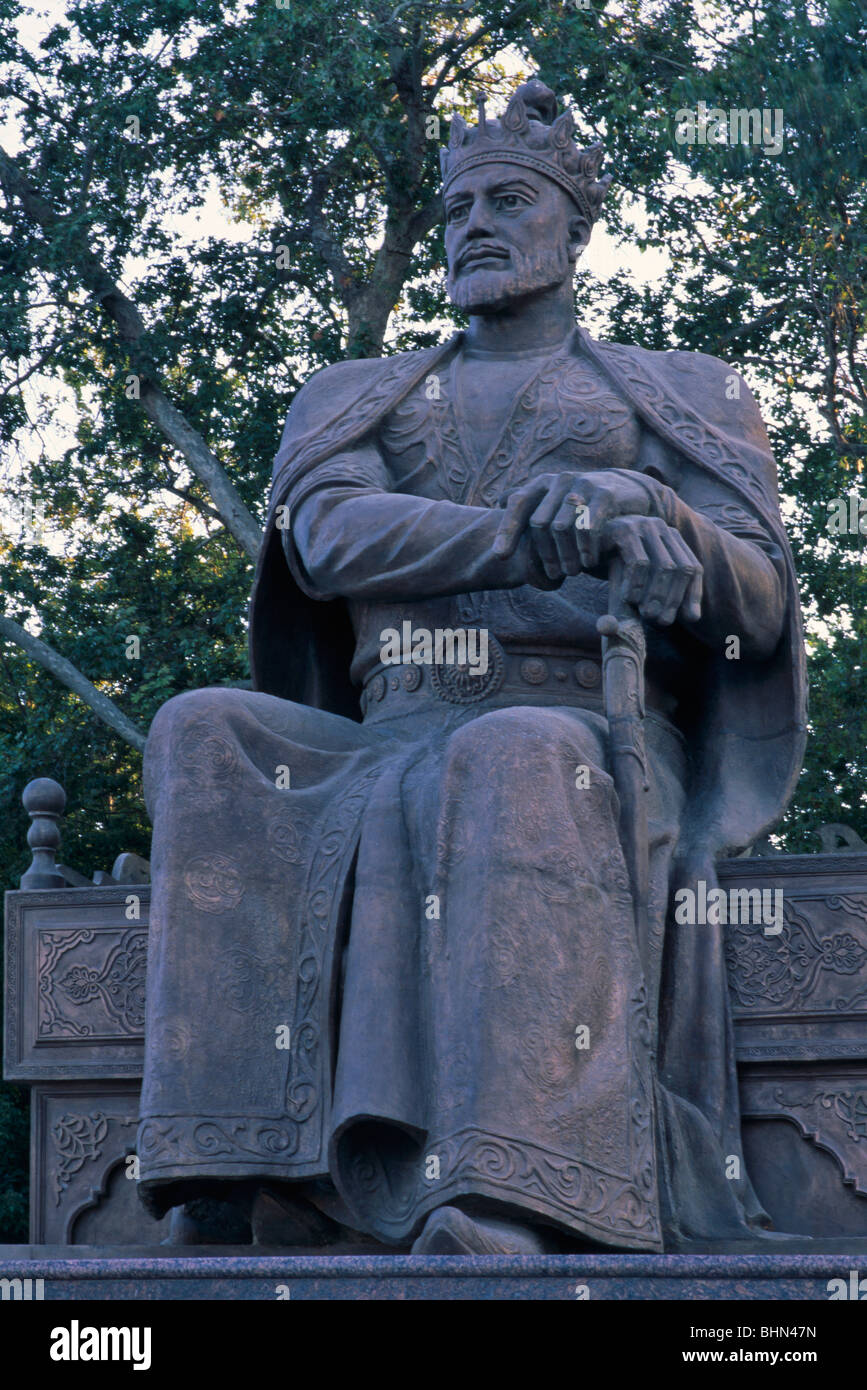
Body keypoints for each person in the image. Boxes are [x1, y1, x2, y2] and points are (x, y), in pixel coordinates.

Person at [137, 79, 805, 1253]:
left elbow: (758, 594)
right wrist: (537, 534)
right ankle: (236, 1165)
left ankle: (513, 1188)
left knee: (514, 750)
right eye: (456, 212)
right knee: (203, 727)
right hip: (382, 730)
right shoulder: (357, 394)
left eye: (508, 200)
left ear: (573, 225)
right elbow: (330, 535)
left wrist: (655, 511)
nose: (475, 228)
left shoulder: (684, 393)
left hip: (584, 731)